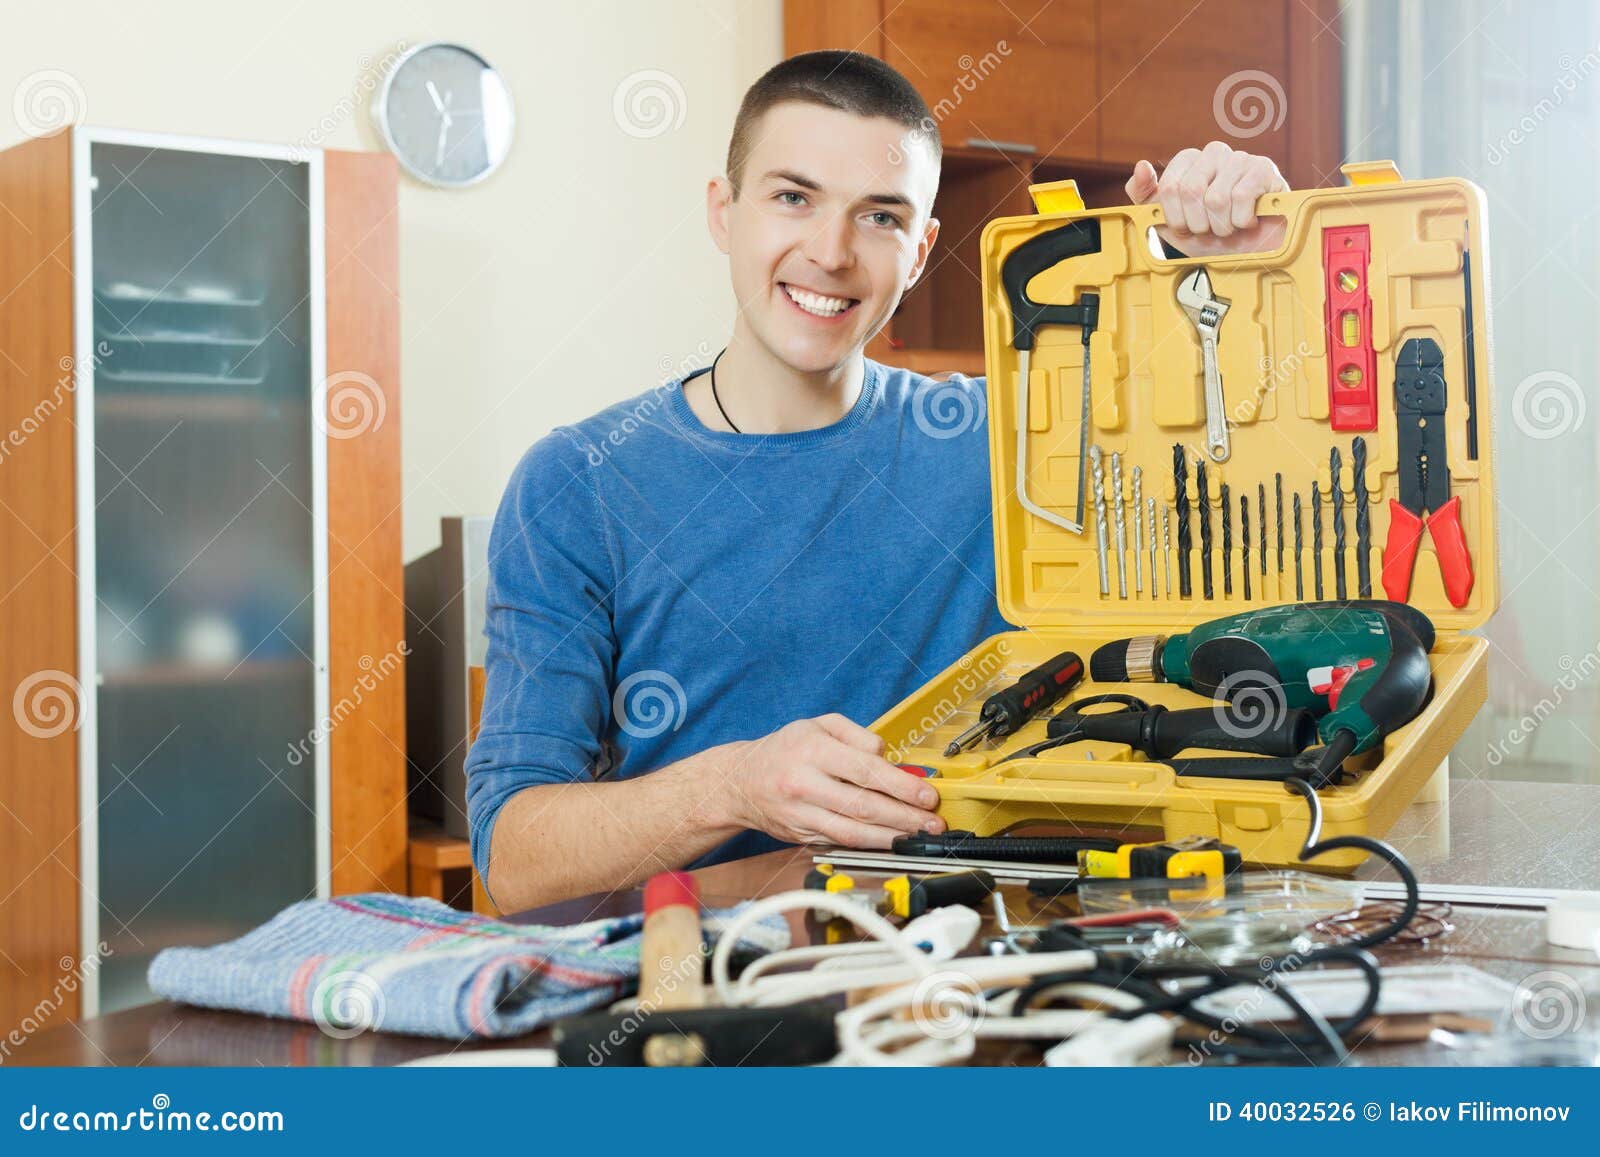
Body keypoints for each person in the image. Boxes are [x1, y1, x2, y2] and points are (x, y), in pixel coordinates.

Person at [466, 50, 1289, 911]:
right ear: (723, 211)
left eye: (880, 217)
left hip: (994, 967)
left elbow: (1260, 515)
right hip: (715, 987)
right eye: (793, 197)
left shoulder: (1013, 441)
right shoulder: (579, 484)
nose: (830, 252)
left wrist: (1256, 274)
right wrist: (736, 785)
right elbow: (513, 856)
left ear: (922, 248)